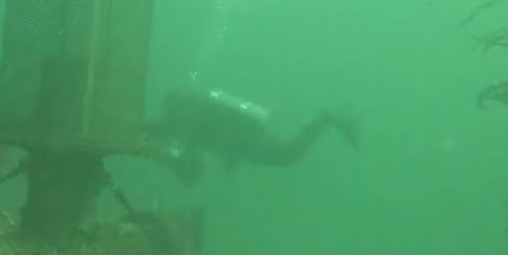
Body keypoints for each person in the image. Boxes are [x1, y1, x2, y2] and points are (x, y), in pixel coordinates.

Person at [148, 87, 358, 185]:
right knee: (289, 155)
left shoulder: (186, 122)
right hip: (247, 142)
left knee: (289, 155)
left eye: (169, 109)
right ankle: (327, 120)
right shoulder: (192, 119)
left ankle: (326, 119)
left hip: (248, 143)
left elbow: (164, 130)